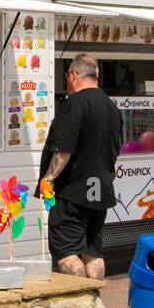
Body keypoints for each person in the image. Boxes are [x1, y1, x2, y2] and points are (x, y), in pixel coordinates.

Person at [39, 55, 122, 280]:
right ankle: (95, 304)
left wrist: (48, 179)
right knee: (92, 253)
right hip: (100, 194)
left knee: (66, 252)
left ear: (74, 75)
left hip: (73, 194)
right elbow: (115, 149)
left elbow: (63, 150)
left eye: (67, 75)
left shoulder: (75, 103)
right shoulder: (111, 108)